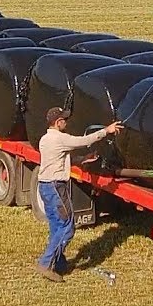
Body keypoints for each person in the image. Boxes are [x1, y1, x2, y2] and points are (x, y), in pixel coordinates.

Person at [34, 107, 122, 282]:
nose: (67, 122)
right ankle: (45, 263)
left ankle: (59, 263)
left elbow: (59, 158)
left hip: (46, 186)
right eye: (64, 120)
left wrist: (82, 159)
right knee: (67, 227)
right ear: (58, 123)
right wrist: (106, 130)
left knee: (56, 226)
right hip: (55, 188)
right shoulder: (60, 138)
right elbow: (84, 140)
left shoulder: (45, 139)